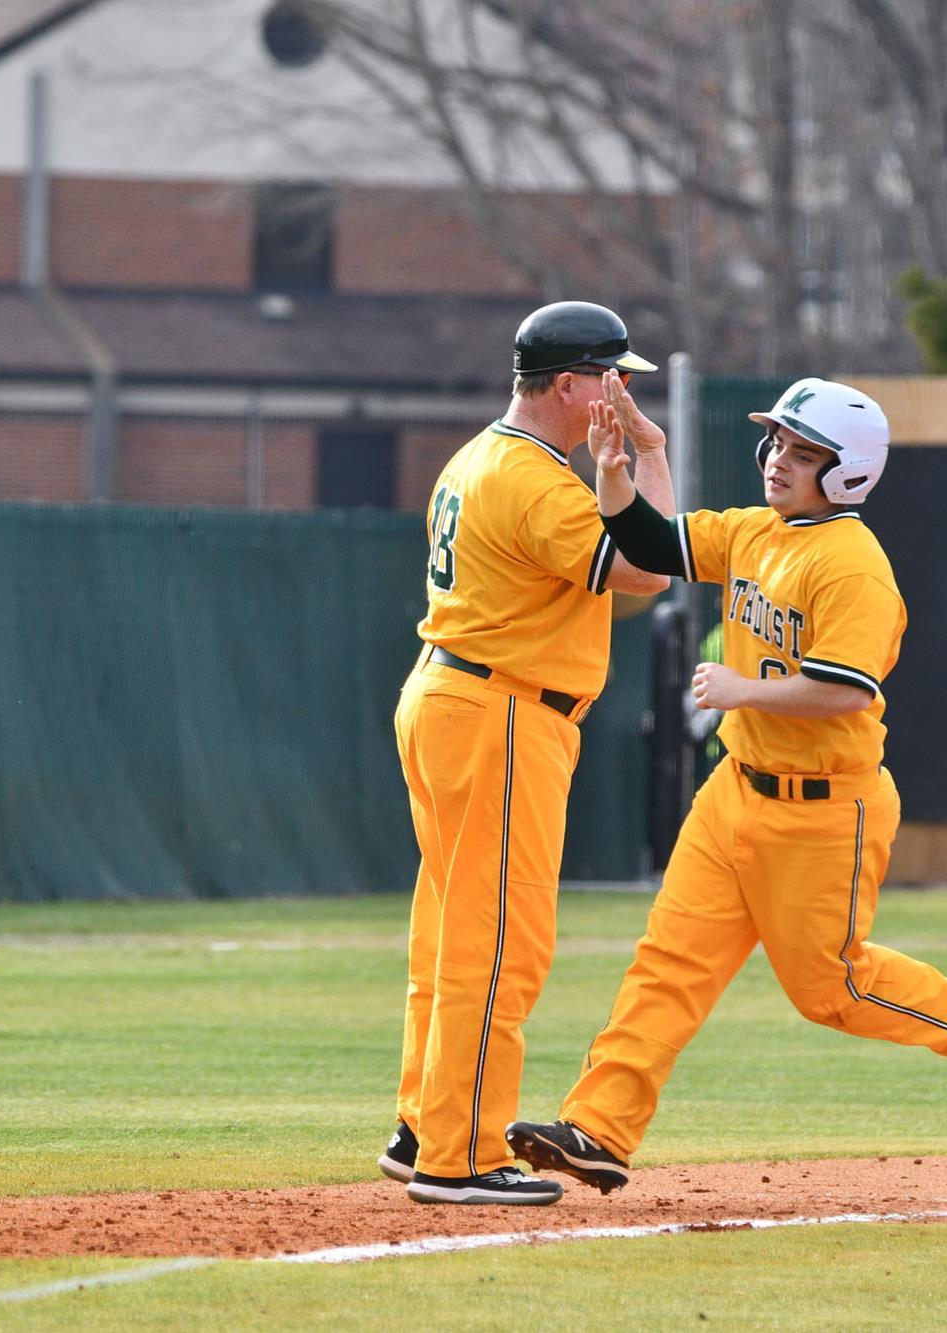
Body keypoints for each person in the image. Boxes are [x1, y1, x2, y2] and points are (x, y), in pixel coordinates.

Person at [506, 378, 947, 1194]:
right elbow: (648, 544)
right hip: (735, 791)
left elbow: (848, 688)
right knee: (667, 963)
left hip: (826, 810)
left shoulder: (854, 565)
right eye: (777, 444)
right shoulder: (755, 531)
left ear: (848, 472)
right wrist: (636, 457)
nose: (779, 461)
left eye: (804, 452)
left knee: (835, 991)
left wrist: (744, 690)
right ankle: (599, 1130)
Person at [381, 301, 674, 1206]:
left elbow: (621, 584)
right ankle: (458, 1151)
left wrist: (630, 461)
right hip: (502, 708)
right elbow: (650, 569)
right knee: (500, 939)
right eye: (610, 375)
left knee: (447, 932)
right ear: (570, 384)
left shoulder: (479, 457)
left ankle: (421, 1123)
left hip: (448, 694)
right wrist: (650, 460)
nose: (620, 391)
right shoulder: (536, 480)